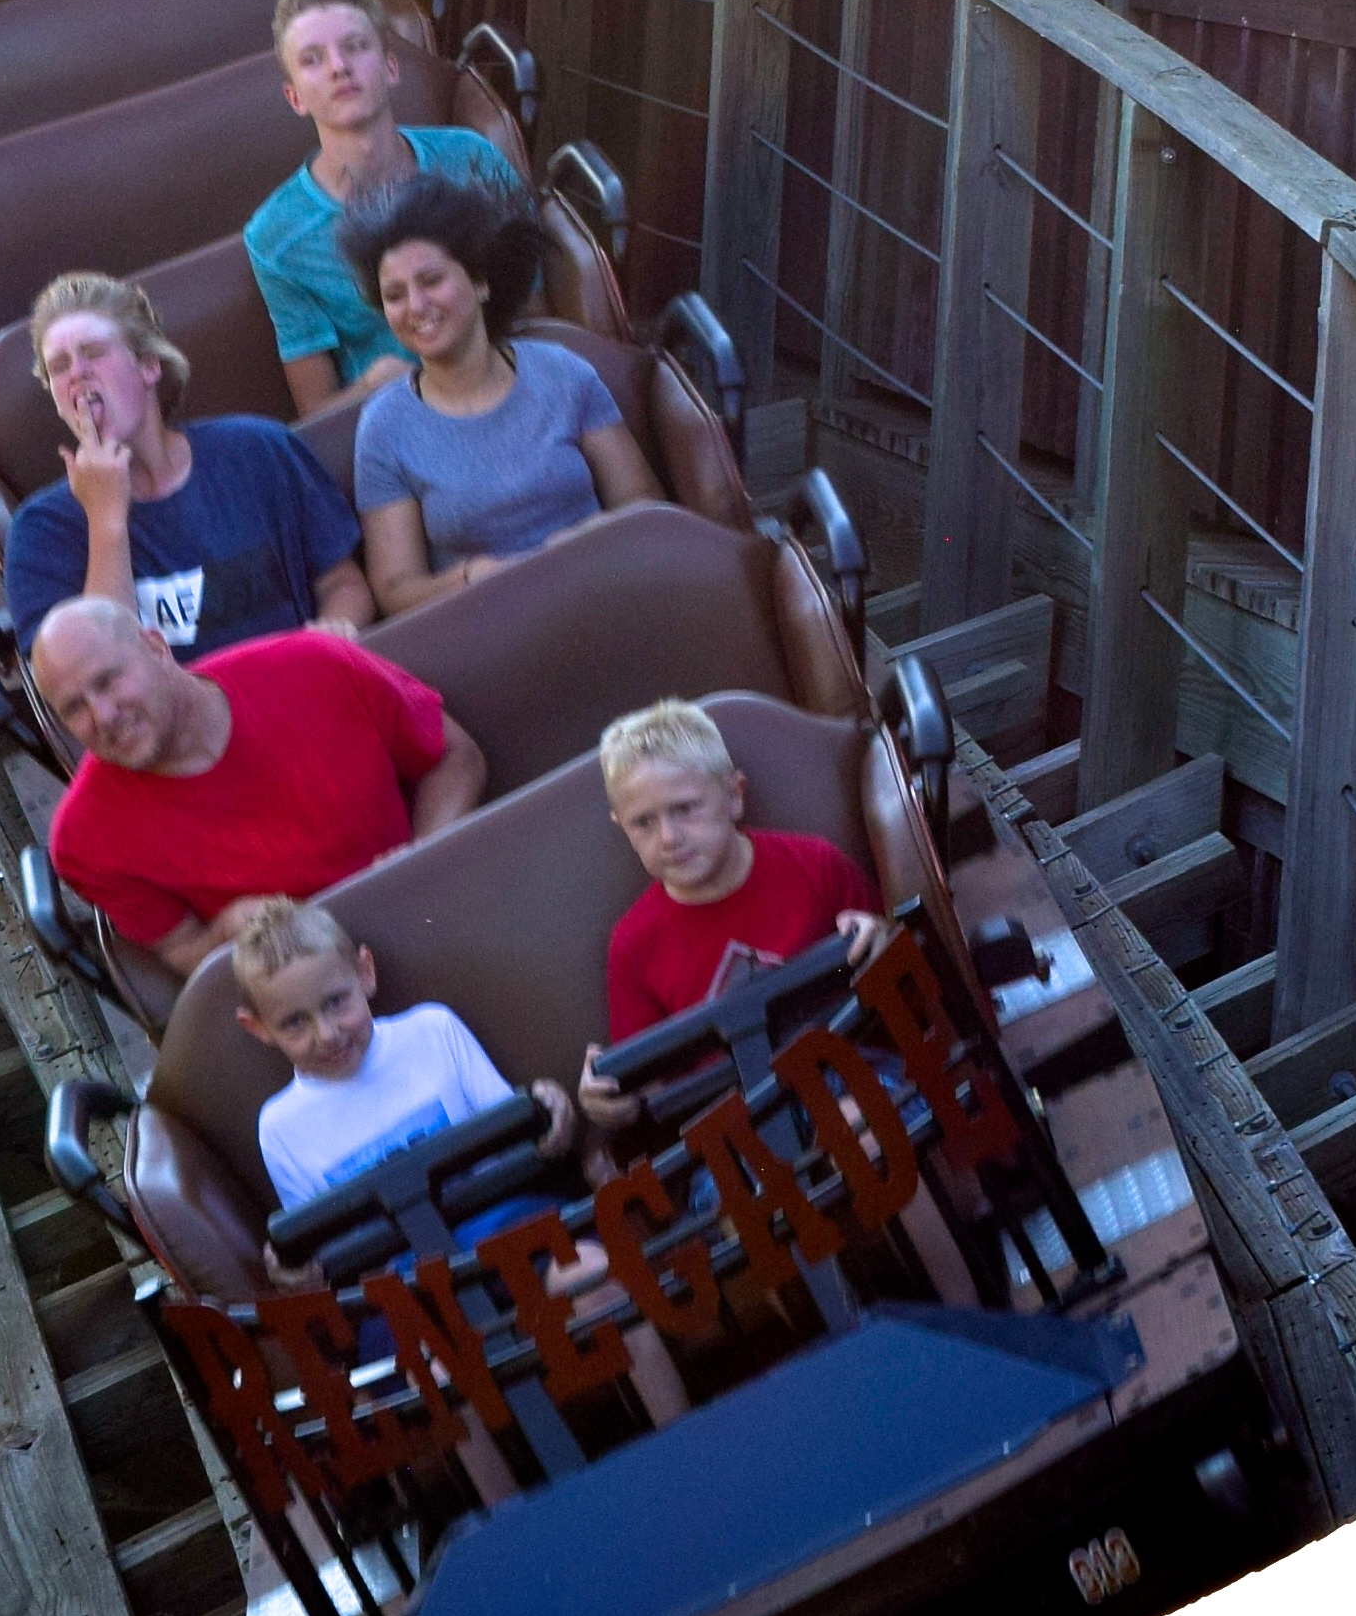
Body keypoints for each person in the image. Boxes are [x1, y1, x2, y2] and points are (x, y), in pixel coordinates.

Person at [31, 602, 484, 981]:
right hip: (312, 998)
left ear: (156, 647)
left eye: (109, 680)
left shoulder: (314, 664)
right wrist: (225, 932)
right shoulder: (84, 838)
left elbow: (455, 757)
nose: (104, 714)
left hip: (442, 915)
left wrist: (422, 856)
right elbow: (180, 949)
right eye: (75, 707)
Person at [1, 271, 370, 654]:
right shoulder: (40, 532)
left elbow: (343, 584)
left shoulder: (259, 448)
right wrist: (105, 518)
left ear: (148, 366)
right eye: (59, 367)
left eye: (93, 352)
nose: (77, 373)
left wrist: (332, 633)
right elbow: (105, 669)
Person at [349, 182, 651, 614]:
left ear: (480, 282)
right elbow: (397, 587)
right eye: (394, 295)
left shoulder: (561, 372)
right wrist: (470, 576)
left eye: (431, 281)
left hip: (603, 589)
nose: (415, 305)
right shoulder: (383, 426)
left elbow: (640, 501)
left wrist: (593, 535)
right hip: (488, 623)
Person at [242, 0, 525, 410]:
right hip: (398, 422)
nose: (339, 67)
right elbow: (318, 417)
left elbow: (537, 314)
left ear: (391, 66)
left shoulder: (473, 158)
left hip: (509, 389)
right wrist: (373, 385)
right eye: (313, 59)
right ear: (295, 97)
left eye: (355, 47)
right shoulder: (274, 237)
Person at [584, 699, 885, 1087]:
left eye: (685, 808)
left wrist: (876, 938)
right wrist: (609, 1094)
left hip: (855, 1068)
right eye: (643, 822)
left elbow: (892, 963)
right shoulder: (633, 946)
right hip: (743, 1118)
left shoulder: (815, 864)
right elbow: (648, 1083)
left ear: (734, 796)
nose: (669, 838)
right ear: (621, 827)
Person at [223, 893, 573, 1218]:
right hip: (406, 1274)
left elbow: (517, 1132)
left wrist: (543, 1109)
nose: (327, 1035)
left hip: (510, 1221)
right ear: (259, 1028)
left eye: (335, 1002)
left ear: (365, 973)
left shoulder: (432, 1031)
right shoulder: (280, 1127)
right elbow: (320, 1244)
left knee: (584, 1266)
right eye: (295, 1022)